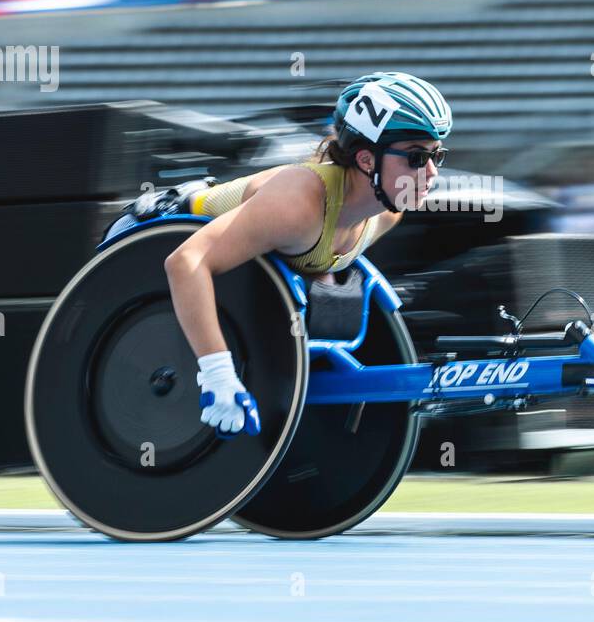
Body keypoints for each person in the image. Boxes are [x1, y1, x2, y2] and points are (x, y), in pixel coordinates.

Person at [153, 72, 452, 436]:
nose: (433, 172)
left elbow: (305, 266)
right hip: (155, 232)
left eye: (437, 154)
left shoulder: (387, 212)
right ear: (366, 159)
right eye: (417, 157)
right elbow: (184, 262)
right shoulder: (299, 203)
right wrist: (217, 374)